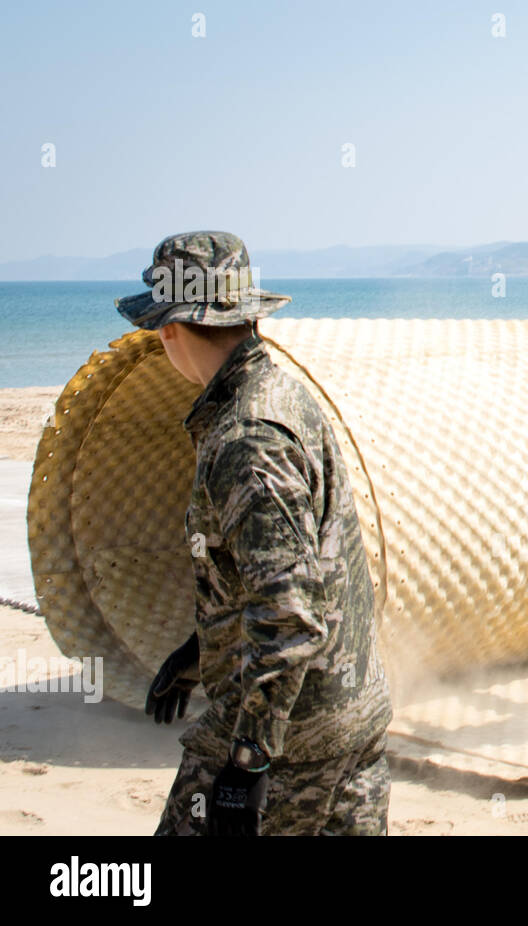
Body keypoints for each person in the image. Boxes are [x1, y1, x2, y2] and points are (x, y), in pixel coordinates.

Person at [118, 231, 393, 835]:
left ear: (169, 330)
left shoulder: (248, 437)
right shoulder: (283, 395)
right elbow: (291, 571)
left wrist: (247, 764)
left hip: (292, 742)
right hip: (351, 720)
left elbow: (289, 616)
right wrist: (200, 653)